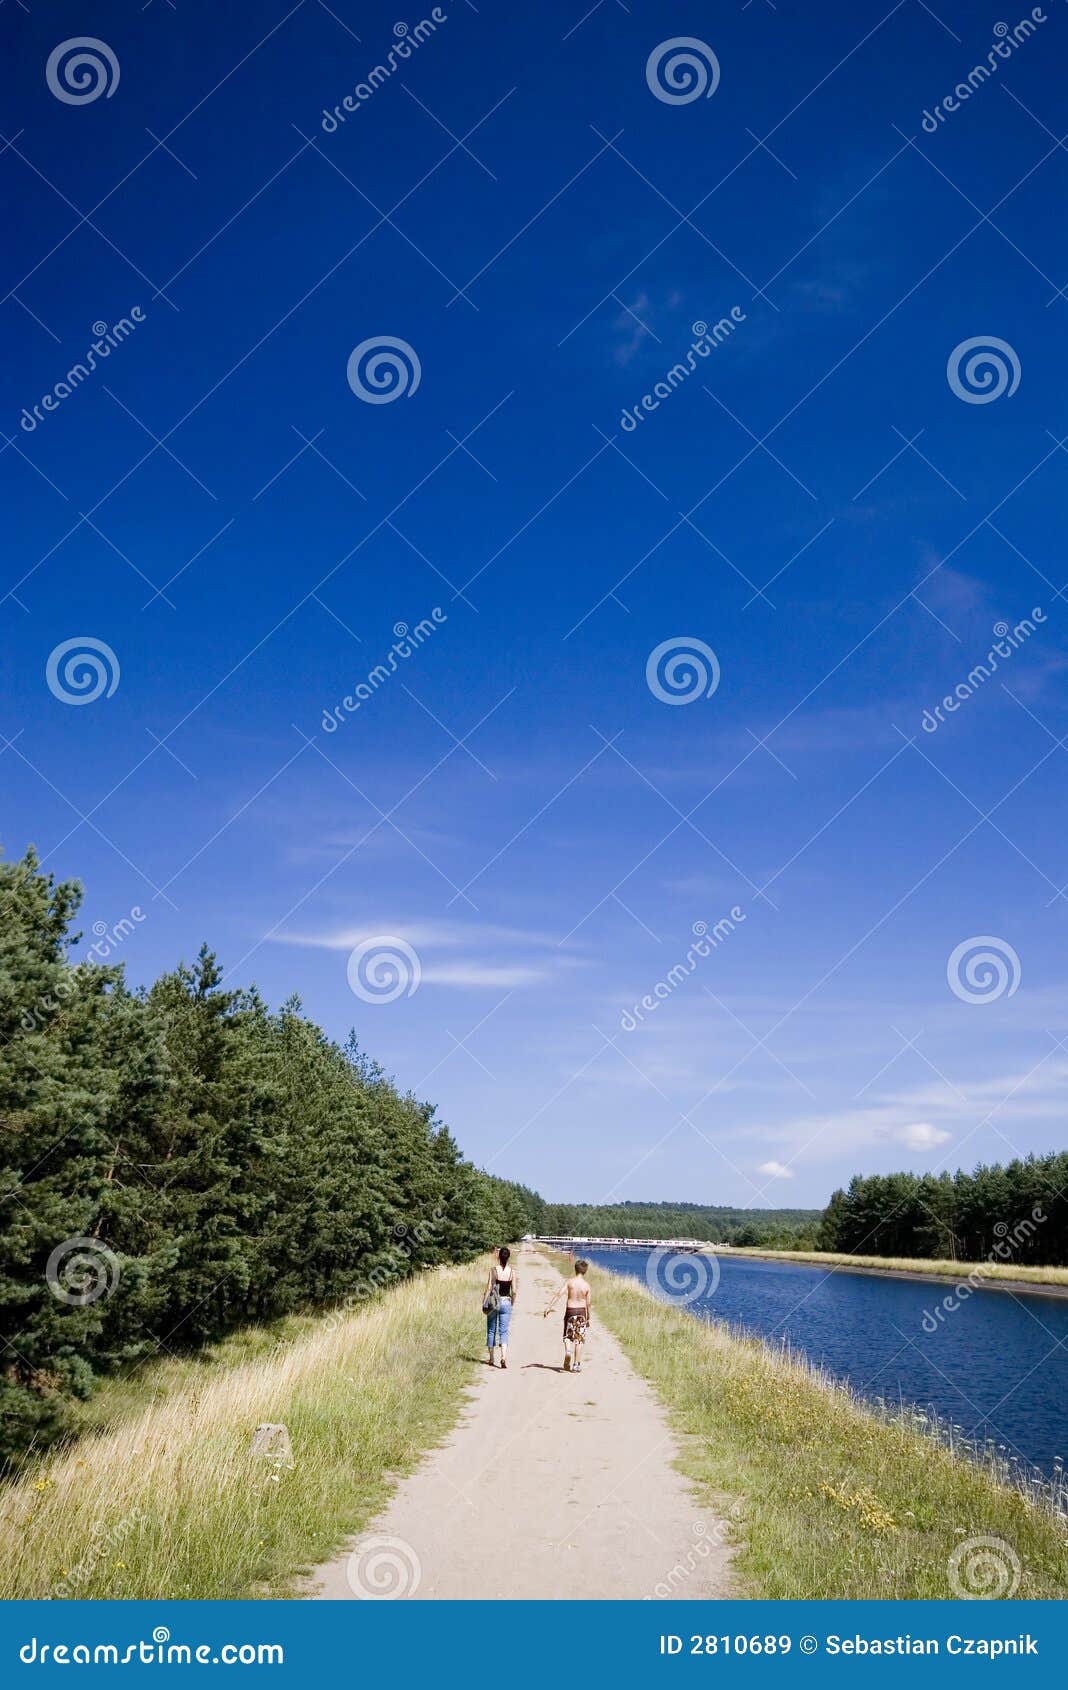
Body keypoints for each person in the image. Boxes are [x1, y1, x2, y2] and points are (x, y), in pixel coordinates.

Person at [544, 1259, 591, 1372]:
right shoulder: (586, 1285)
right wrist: (588, 1317)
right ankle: (576, 1364)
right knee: (579, 1339)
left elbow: (559, 1294)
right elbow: (588, 1304)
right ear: (585, 1271)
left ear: (575, 1269)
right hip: (581, 1312)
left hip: (570, 1310)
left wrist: (549, 1307)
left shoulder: (569, 1282)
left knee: (567, 1336)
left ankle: (568, 1351)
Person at [484, 1245, 517, 1368]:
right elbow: (514, 1291)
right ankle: (503, 1357)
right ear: (508, 1257)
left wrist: (484, 1302)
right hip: (506, 1301)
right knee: (503, 1331)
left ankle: (491, 1358)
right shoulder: (512, 1272)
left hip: (494, 1302)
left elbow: (488, 1288)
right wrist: (512, 1302)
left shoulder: (493, 1270)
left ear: (498, 1257)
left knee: (491, 1330)